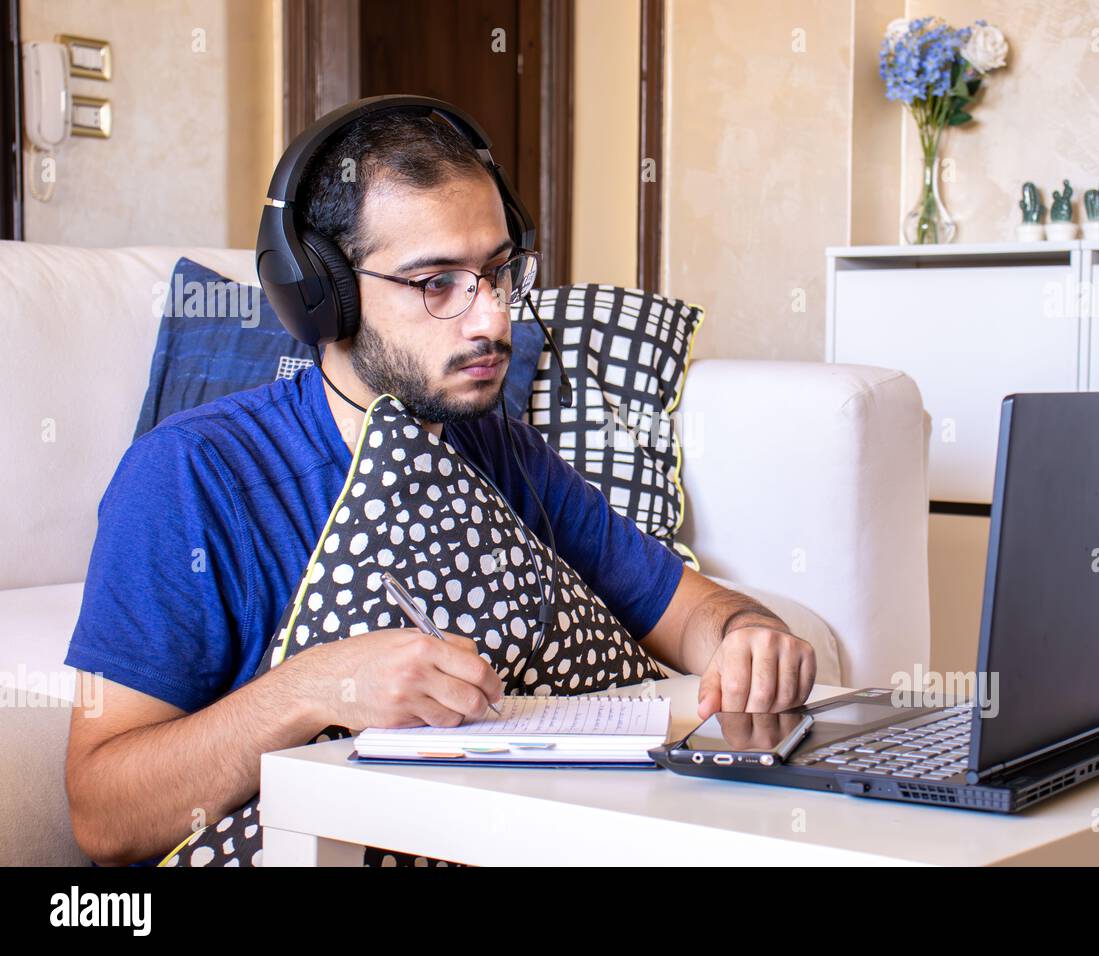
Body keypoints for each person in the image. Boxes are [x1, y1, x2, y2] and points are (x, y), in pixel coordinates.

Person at [63, 106, 815, 867]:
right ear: (324, 293)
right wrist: (311, 690)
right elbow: (102, 813)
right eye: (436, 283)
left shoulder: (498, 446)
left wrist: (746, 637)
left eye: (498, 272)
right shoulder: (191, 475)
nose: (491, 318)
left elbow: (690, 613)